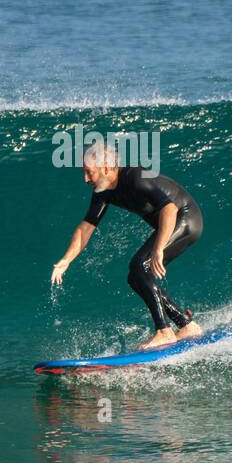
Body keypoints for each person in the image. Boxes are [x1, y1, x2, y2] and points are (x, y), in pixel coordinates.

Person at [51, 143, 204, 349]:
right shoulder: (103, 190)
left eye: (89, 172)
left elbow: (169, 208)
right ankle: (186, 325)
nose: (85, 179)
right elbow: (86, 227)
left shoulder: (136, 177)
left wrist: (158, 249)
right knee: (135, 277)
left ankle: (164, 332)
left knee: (140, 267)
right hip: (173, 224)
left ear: (106, 168)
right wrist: (66, 260)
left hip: (185, 219)